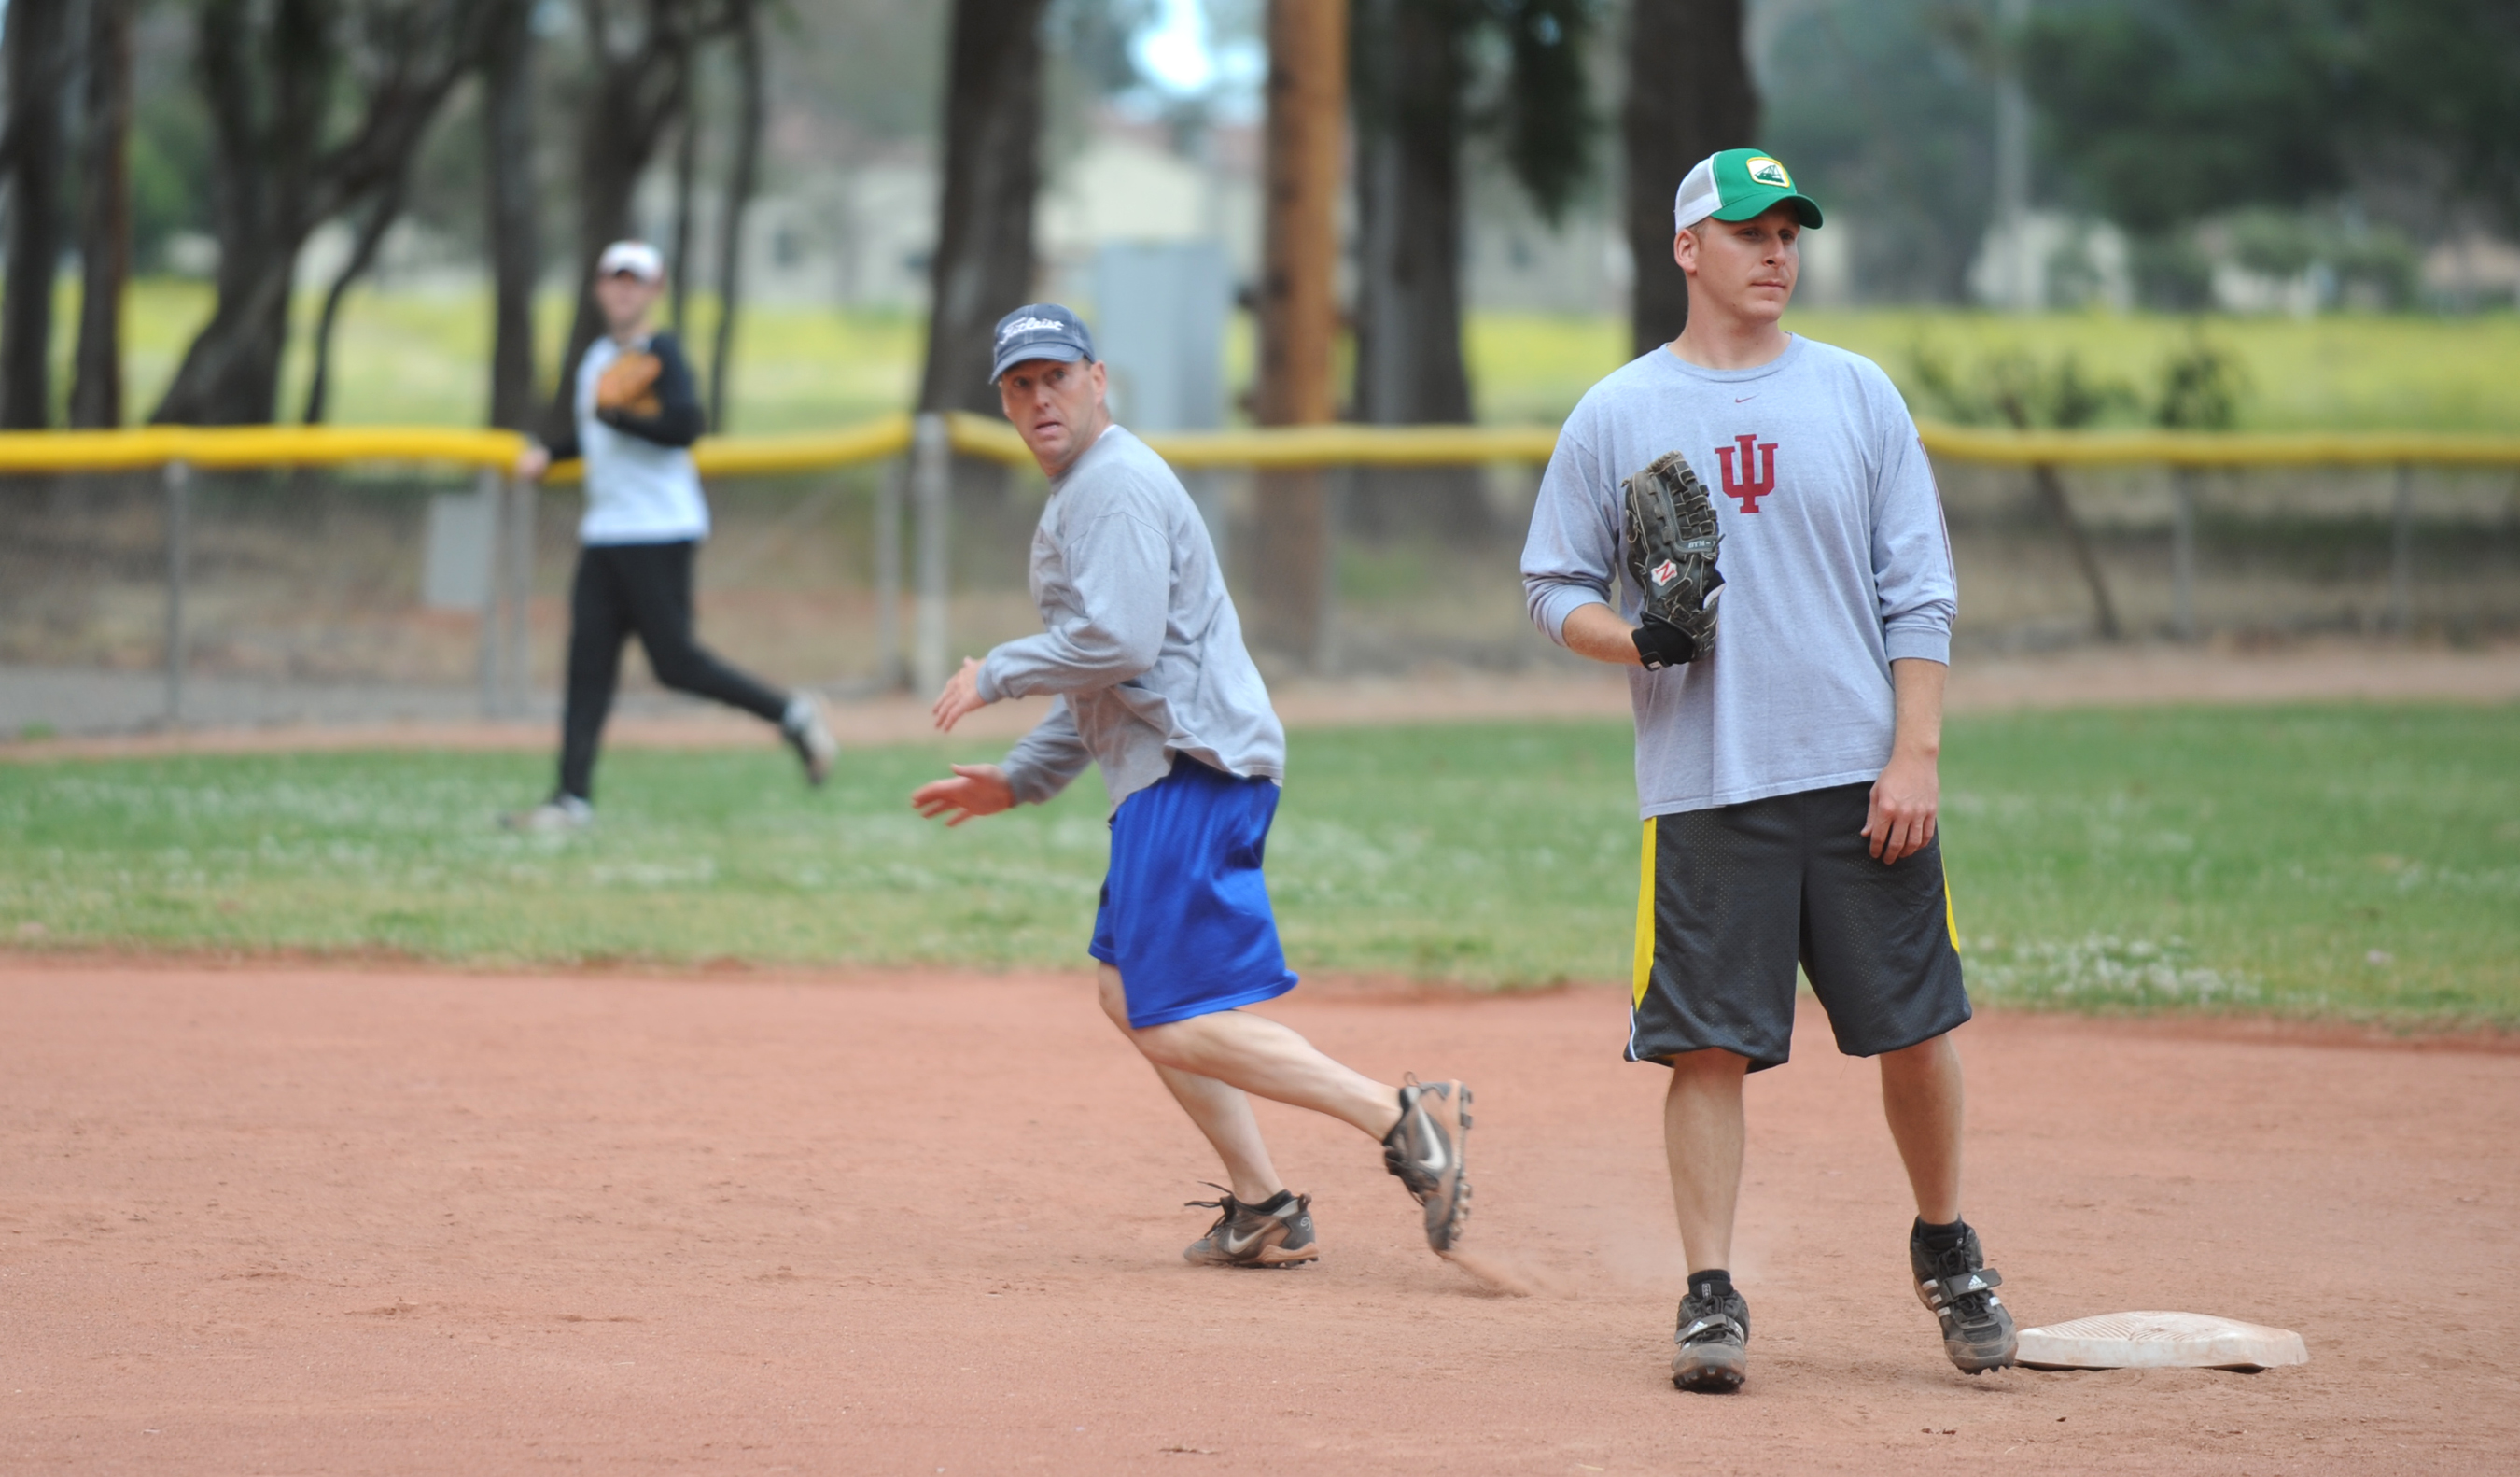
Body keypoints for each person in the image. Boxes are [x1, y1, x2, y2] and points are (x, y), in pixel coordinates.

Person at [1520, 149, 2016, 1390]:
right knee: (1706, 1047)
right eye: (1750, 231)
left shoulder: (1857, 394)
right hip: (1706, 784)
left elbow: (1921, 588)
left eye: (1790, 231)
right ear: (1688, 249)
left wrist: (1914, 753)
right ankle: (1709, 1291)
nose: (1777, 252)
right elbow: (1552, 585)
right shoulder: (1618, 412)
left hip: (1861, 777)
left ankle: (1946, 1242)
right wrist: (1635, 639)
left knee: (1916, 1028)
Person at [910, 302, 1473, 1269]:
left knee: (1168, 1013)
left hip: (1191, 770)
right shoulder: (1089, 489)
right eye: (1020, 385)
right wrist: (1022, 777)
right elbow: (1112, 675)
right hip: (1178, 766)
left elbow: (1120, 643)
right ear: (1004, 403)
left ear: (1097, 381)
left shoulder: (1112, 485)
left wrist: (997, 670)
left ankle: (1400, 1116)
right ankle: (1264, 1206)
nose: (1040, 398)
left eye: (1056, 377)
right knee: (1128, 992)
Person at [504, 240, 836, 832]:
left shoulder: (662, 353)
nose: (623, 289)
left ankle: (793, 715)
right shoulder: (597, 359)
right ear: (599, 288)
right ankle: (570, 799)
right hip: (604, 533)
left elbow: (686, 425)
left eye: (635, 280)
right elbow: (597, 438)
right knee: (587, 665)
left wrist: (619, 415)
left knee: (676, 663)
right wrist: (551, 455)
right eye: (614, 278)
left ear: (655, 290)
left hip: (658, 531)